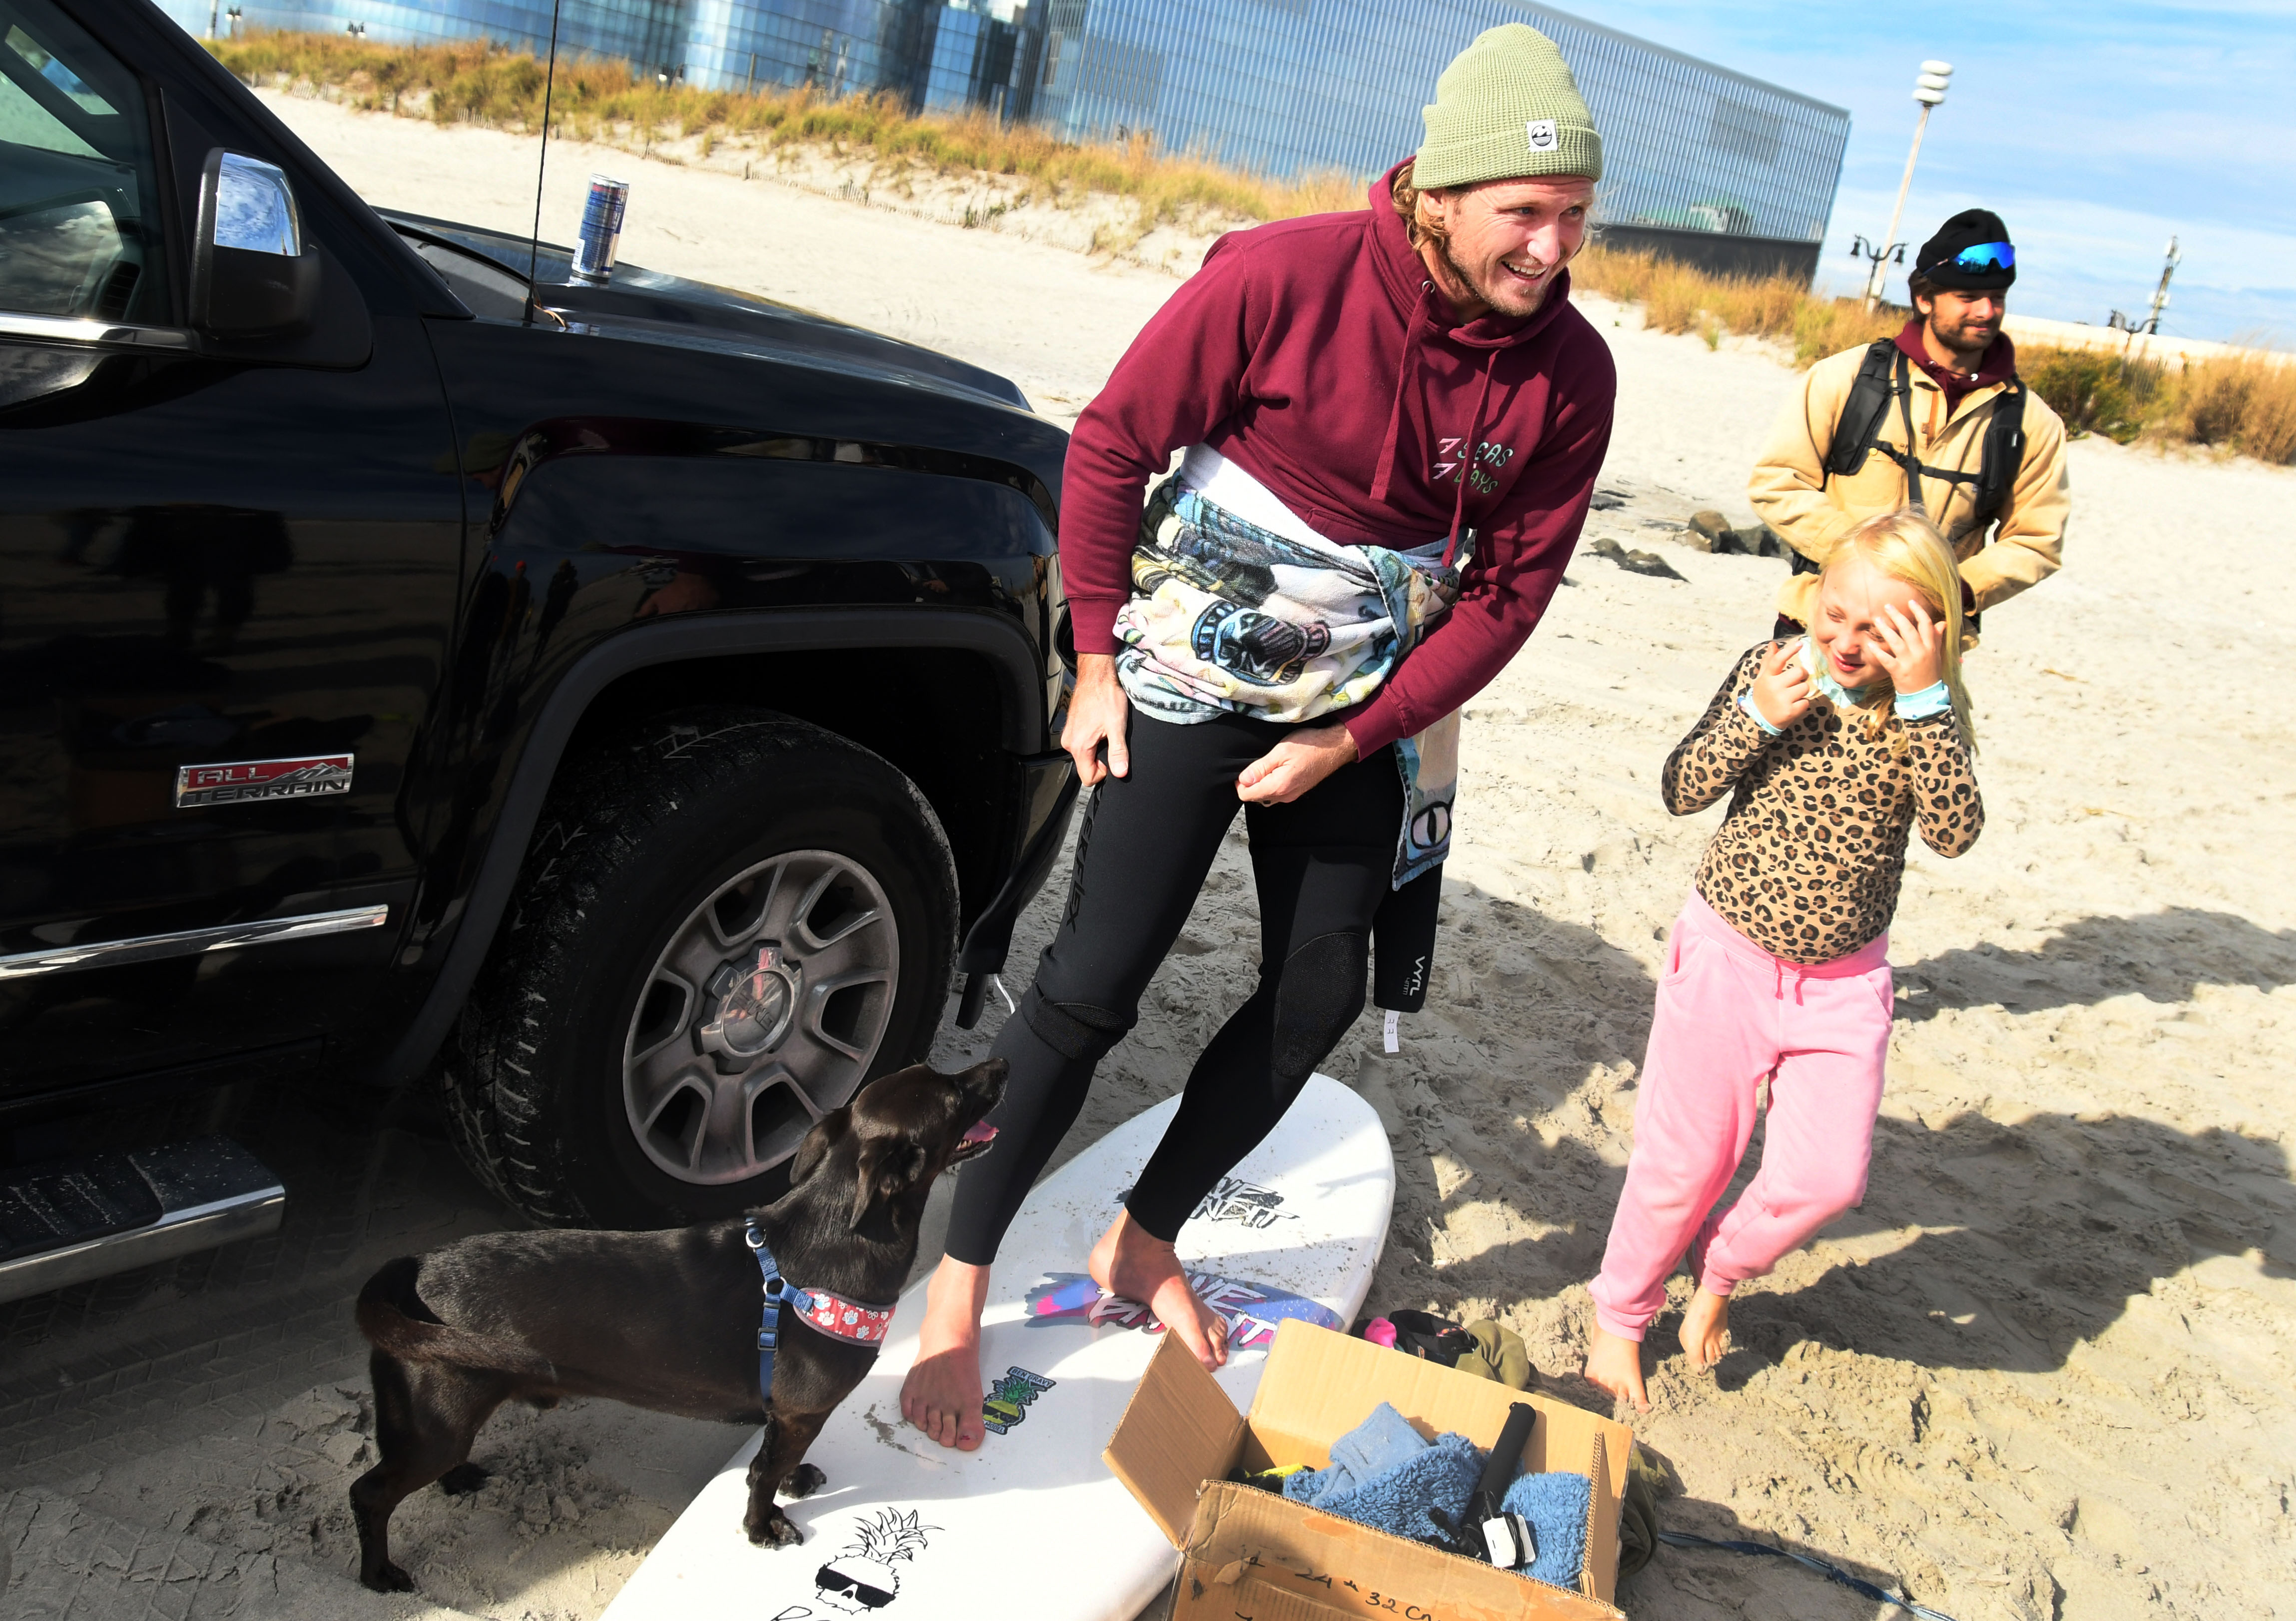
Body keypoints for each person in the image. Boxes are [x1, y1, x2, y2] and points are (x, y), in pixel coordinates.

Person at [899, 22, 1618, 1450]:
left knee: (1315, 991)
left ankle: (1142, 1236)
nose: (1551, 248)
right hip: (1181, 667)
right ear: (1439, 197)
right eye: (1524, 214)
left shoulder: (1569, 376)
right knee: (1096, 979)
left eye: (1574, 218)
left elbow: (1508, 595)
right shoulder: (1280, 274)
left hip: (1352, 701)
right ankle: (955, 1288)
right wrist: (1093, 653)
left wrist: (1361, 738)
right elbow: (1109, 443)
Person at [1582, 508, 1983, 1411]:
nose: (1843, 640)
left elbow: (1956, 832)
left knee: (1828, 1177)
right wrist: (1755, 715)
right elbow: (1682, 785)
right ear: (1811, 597)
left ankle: (1720, 1264)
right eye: (1832, 612)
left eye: (1878, 628)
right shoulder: (1774, 672)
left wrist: (1924, 701)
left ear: (1927, 633)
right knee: (1684, 1159)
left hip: (1844, 987)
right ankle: (1621, 1314)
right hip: (1725, 956)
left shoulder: (1925, 714)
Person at [1749, 209, 2070, 638]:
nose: (1987, 311)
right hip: (1817, 626)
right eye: (1968, 298)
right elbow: (1777, 483)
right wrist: (1866, 563)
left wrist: (1953, 589)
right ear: (1924, 298)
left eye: (1997, 298)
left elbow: (2036, 540)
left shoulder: (2033, 422)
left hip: (1924, 644)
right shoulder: (1845, 377)